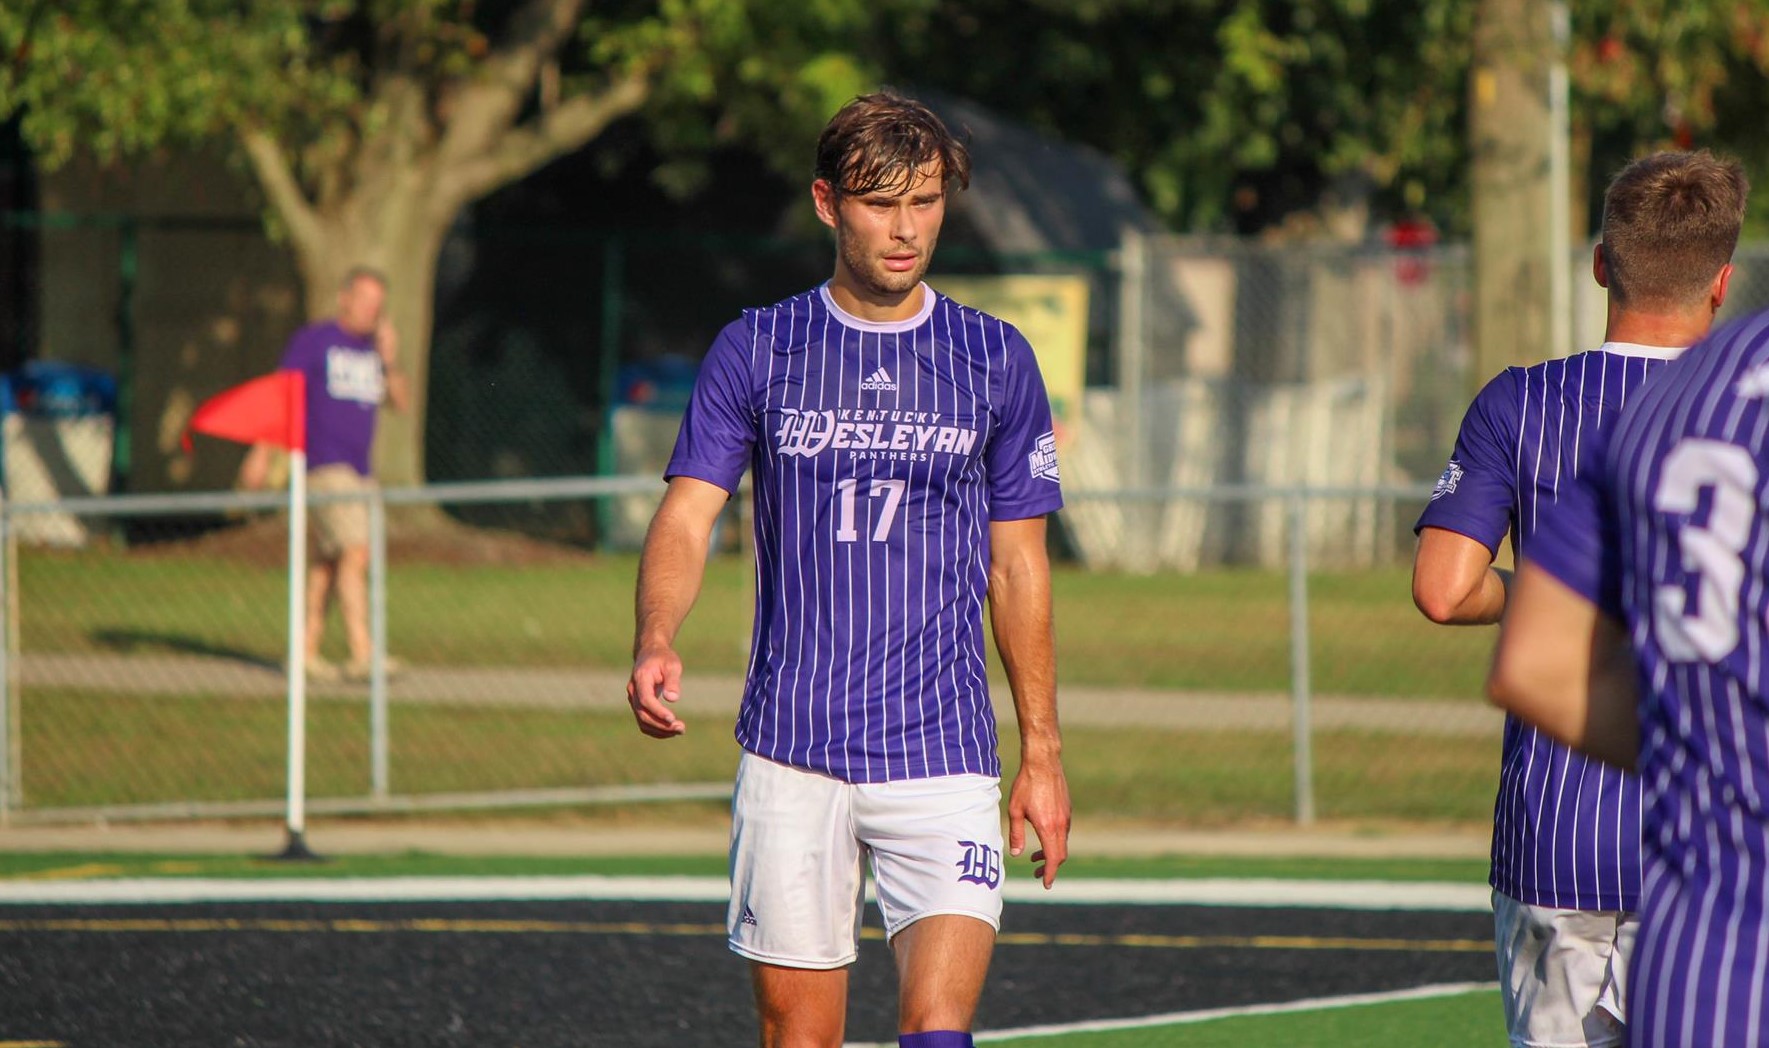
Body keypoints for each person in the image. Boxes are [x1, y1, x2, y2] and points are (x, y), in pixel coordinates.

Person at [626, 92, 1070, 1048]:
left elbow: (1018, 566)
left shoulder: (995, 357)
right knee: (801, 1039)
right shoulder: (758, 347)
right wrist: (656, 636)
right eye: (880, 204)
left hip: (943, 755)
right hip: (791, 751)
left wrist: (1041, 752)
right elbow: (688, 515)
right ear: (828, 203)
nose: (906, 230)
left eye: (925, 202)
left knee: (938, 1032)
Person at [1412, 150, 1746, 1048]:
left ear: (1601, 264)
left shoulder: (1519, 403)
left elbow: (1443, 590)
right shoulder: (1749, 414)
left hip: (1557, 832)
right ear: (1721, 282)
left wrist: (1548, 595)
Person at [241, 266, 409, 683]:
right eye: (364, 299)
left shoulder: (373, 351)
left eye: (378, 304)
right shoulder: (315, 341)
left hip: (360, 469)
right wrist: (261, 453)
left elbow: (401, 403)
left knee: (331, 562)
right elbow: (283, 394)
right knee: (356, 551)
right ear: (343, 298)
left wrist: (390, 361)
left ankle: (305, 651)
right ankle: (363, 653)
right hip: (323, 464)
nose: (371, 310)